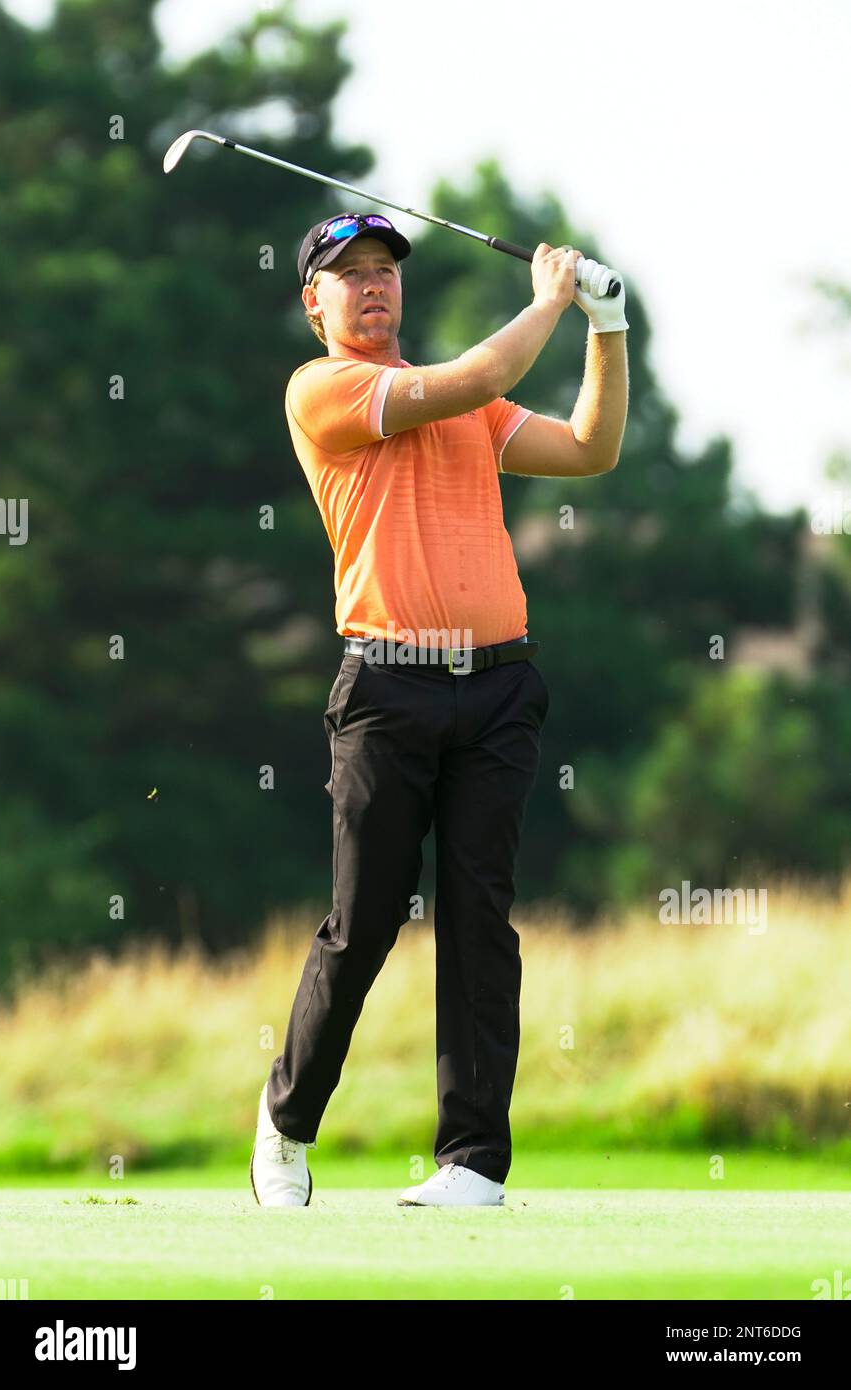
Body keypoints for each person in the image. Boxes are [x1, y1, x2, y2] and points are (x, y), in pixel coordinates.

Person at [250, 211, 629, 1207]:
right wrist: (549, 296)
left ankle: (470, 1160)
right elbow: (471, 378)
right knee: (363, 918)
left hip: (499, 687)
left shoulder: (468, 405)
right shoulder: (324, 389)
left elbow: (590, 449)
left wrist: (606, 331)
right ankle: (287, 1124)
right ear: (313, 301)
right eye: (350, 275)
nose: (373, 287)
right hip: (387, 688)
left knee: (479, 918)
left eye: (384, 272)